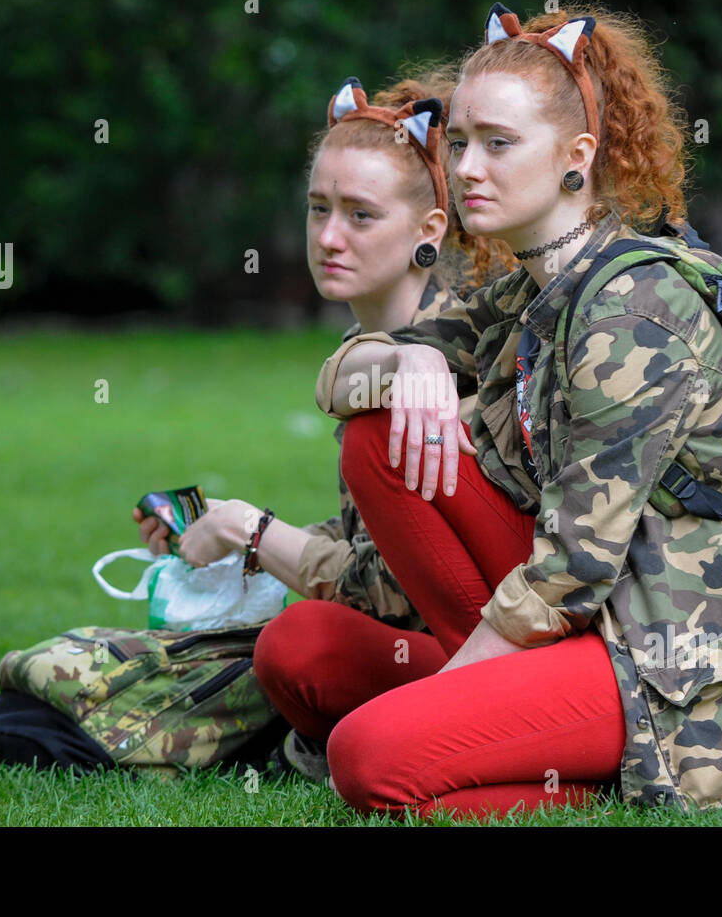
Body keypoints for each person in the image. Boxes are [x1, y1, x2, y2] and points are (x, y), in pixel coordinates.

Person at [311, 0, 722, 819]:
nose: (468, 167)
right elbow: (338, 379)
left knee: (367, 756)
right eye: (460, 143)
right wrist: (411, 354)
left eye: (498, 143)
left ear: (576, 159)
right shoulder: (531, 283)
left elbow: (570, 571)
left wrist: (444, 702)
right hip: (591, 627)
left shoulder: (633, 309)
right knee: (376, 436)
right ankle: (511, 728)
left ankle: (587, 773)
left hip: (681, 665)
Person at [133, 68, 514, 780]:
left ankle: (374, 742)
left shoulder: (444, 363)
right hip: (443, 645)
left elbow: (391, 590)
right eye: (318, 208)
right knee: (293, 643)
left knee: (297, 646)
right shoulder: (379, 354)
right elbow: (378, 540)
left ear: (429, 231)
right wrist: (219, 524)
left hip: (486, 650)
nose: (329, 236)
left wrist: (253, 530)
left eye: (360, 215)